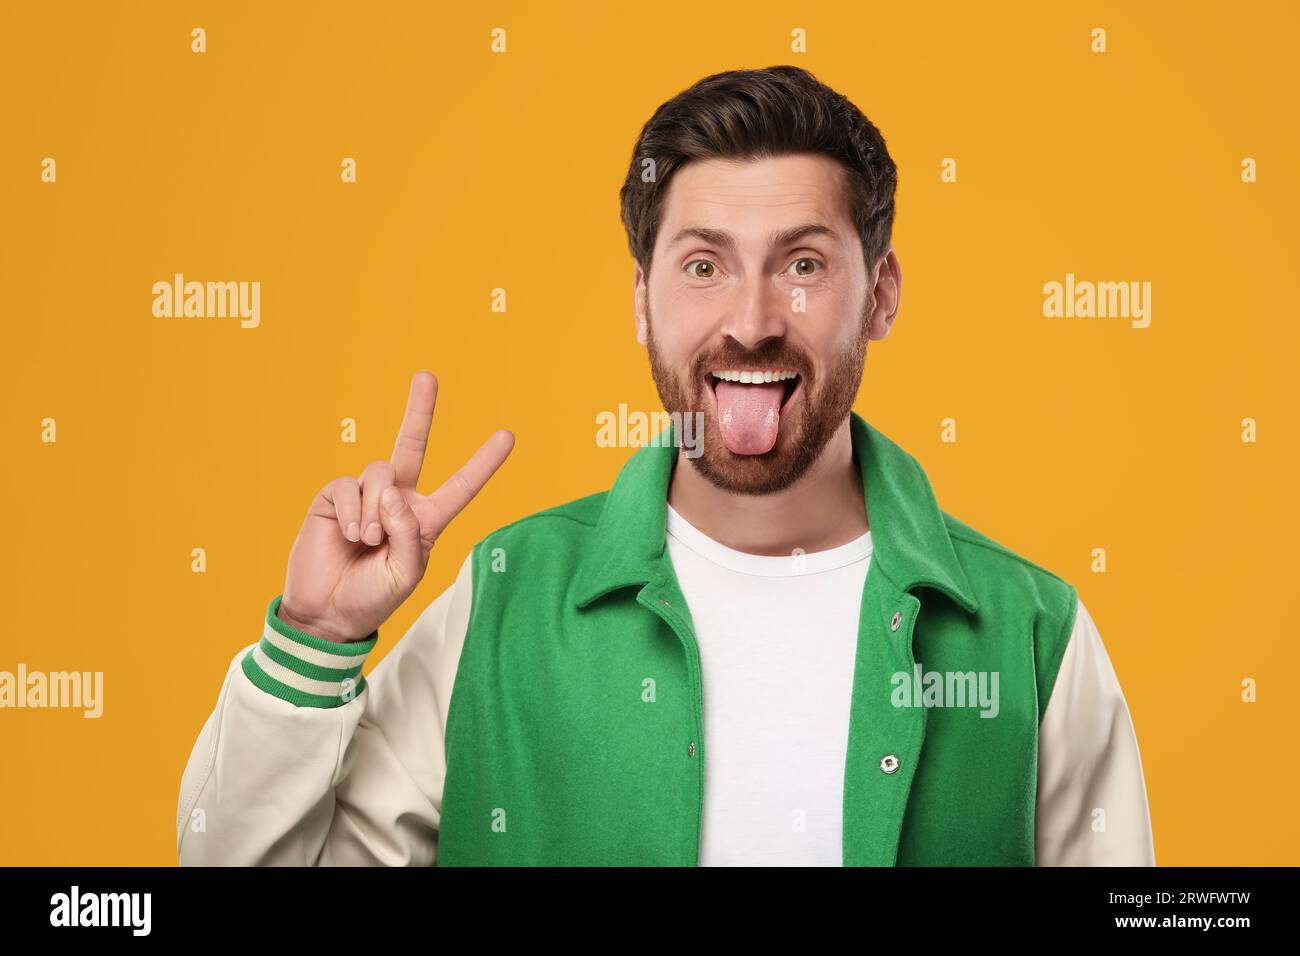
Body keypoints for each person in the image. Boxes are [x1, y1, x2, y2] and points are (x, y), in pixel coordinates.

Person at [177, 65, 1155, 866]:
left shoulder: (1034, 636)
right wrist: (312, 640)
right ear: (642, 300)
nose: (751, 318)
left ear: (881, 295)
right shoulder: (501, 603)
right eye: (703, 264)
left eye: (803, 263)